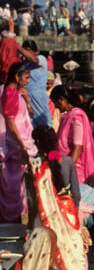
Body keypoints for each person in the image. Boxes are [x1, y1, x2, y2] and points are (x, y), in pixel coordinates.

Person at [0, 60, 36, 222]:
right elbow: (10, 122)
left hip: (22, 141)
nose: (28, 81)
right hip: (16, 143)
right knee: (14, 186)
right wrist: (21, 145)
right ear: (17, 76)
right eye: (26, 77)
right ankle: (14, 219)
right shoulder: (9, 93)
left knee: (21, 184)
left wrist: (27, 101)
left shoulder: (16, 93)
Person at [52, 84, 94, 184]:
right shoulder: (67, 116)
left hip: (76, 168)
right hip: (66, 163)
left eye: (56, 102)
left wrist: (69, 168)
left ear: (62, 99)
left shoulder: (76, 118)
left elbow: (78, 146)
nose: (55, 106)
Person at [21, 40, 50, 127]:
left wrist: (17, 46)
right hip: (26, 97)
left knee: (45, 124)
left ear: (36, 51)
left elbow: (33, 59)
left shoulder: (41, 59)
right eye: (24, 50)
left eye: (28, 50)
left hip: (39, 97)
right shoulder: (23, 64)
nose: (26, 53)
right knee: (29, 126)